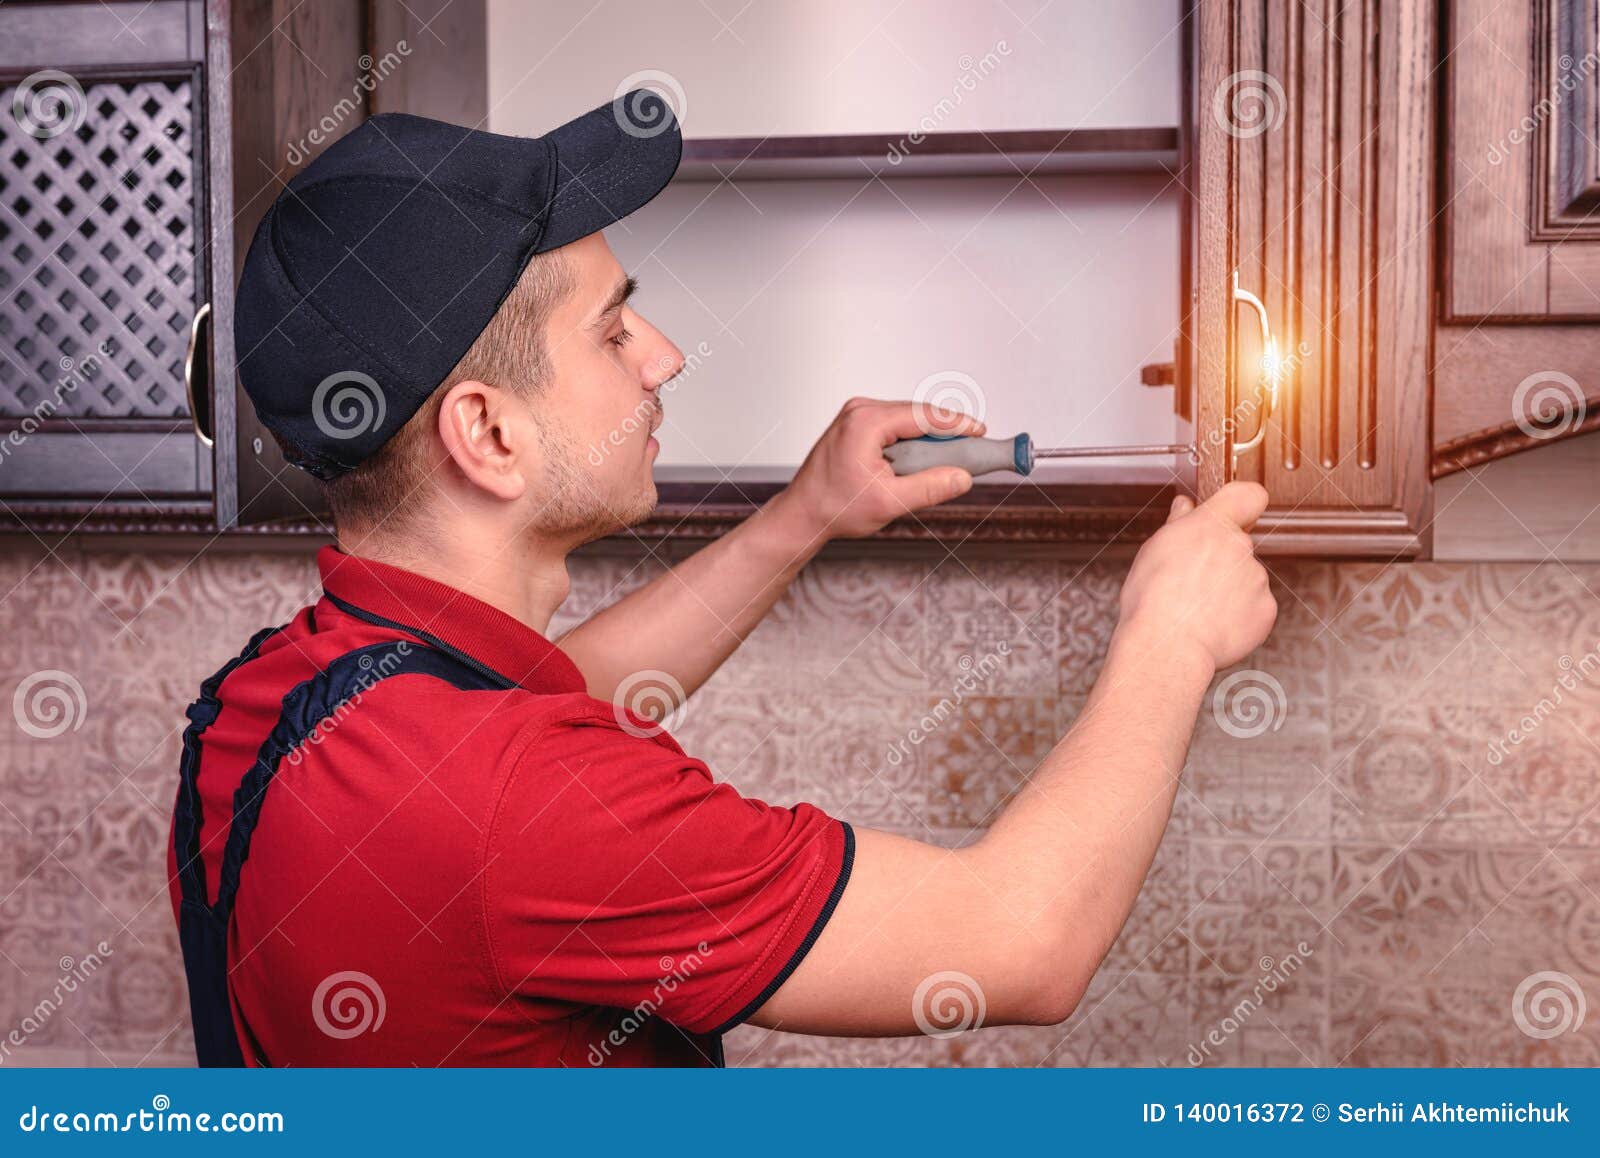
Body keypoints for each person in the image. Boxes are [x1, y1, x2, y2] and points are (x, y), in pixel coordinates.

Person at [168, 91, 1277, 1067]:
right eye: (611, 334)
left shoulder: (268, 697)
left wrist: (802, 516)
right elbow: (1020, 943)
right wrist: (1170, 632)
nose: (662, 355)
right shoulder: (520, 802)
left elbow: (533, 715)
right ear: (488, 436)